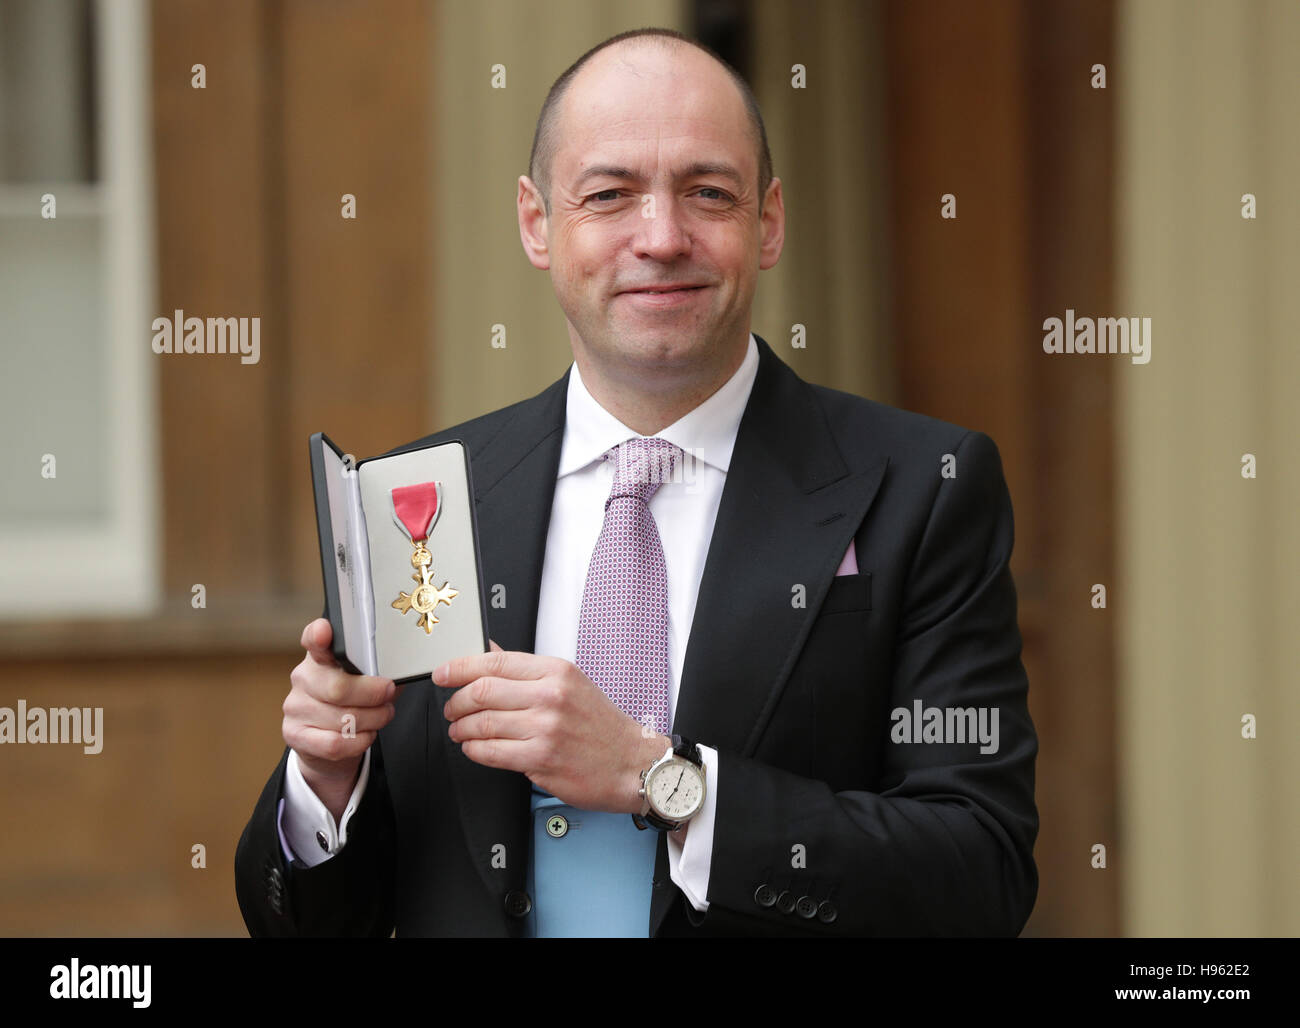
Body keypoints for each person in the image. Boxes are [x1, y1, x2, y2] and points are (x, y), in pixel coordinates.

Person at [235, 27, 1038, 937]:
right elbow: (308, 923)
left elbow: (982, 872)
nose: (661, 238)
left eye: (708, 193)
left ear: (768, 222)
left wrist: (663, 780)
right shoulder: (415, 499)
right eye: (610, 195)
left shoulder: (924, 489)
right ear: (538, 224)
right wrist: (325, 784)